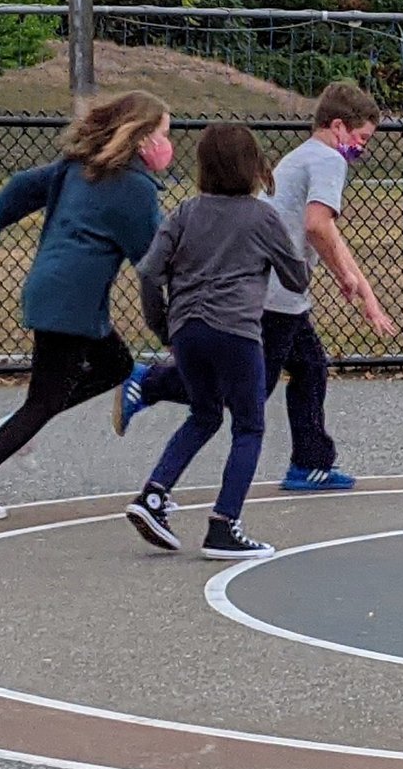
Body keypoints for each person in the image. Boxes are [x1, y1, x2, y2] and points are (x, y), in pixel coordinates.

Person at [113, 80, 397, 489]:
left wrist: (363, 290)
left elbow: (326, 231)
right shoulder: (329, 161)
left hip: (280, 291)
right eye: (362, 137)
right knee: (249, 391)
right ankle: (150, 382)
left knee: (311, 368)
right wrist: (344, 276)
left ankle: (311, 461)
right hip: (277, 292)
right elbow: (317, 226)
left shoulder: (303, 156)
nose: (362, 147)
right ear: (339, 126)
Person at [0, 91, 172, 522]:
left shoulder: (76, 169)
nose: (166, 144)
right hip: (72, 305)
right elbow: (154, 264)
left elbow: (17, 189)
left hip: (56, 292)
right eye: (163, 134)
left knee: (116, 366)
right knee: (42, 401)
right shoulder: (135, 189)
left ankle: (15, 424)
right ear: (140, 139)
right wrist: (173, 330)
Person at [124, 124, 311, 560]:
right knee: (248, 424)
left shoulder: (185, 212)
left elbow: (150, 271)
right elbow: (295, 276)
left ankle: (153, 495)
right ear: (252, 166)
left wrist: (163, 326)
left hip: (187, 328)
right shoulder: (262, 217)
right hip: (236, 331)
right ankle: (224, 524)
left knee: (204, 414)